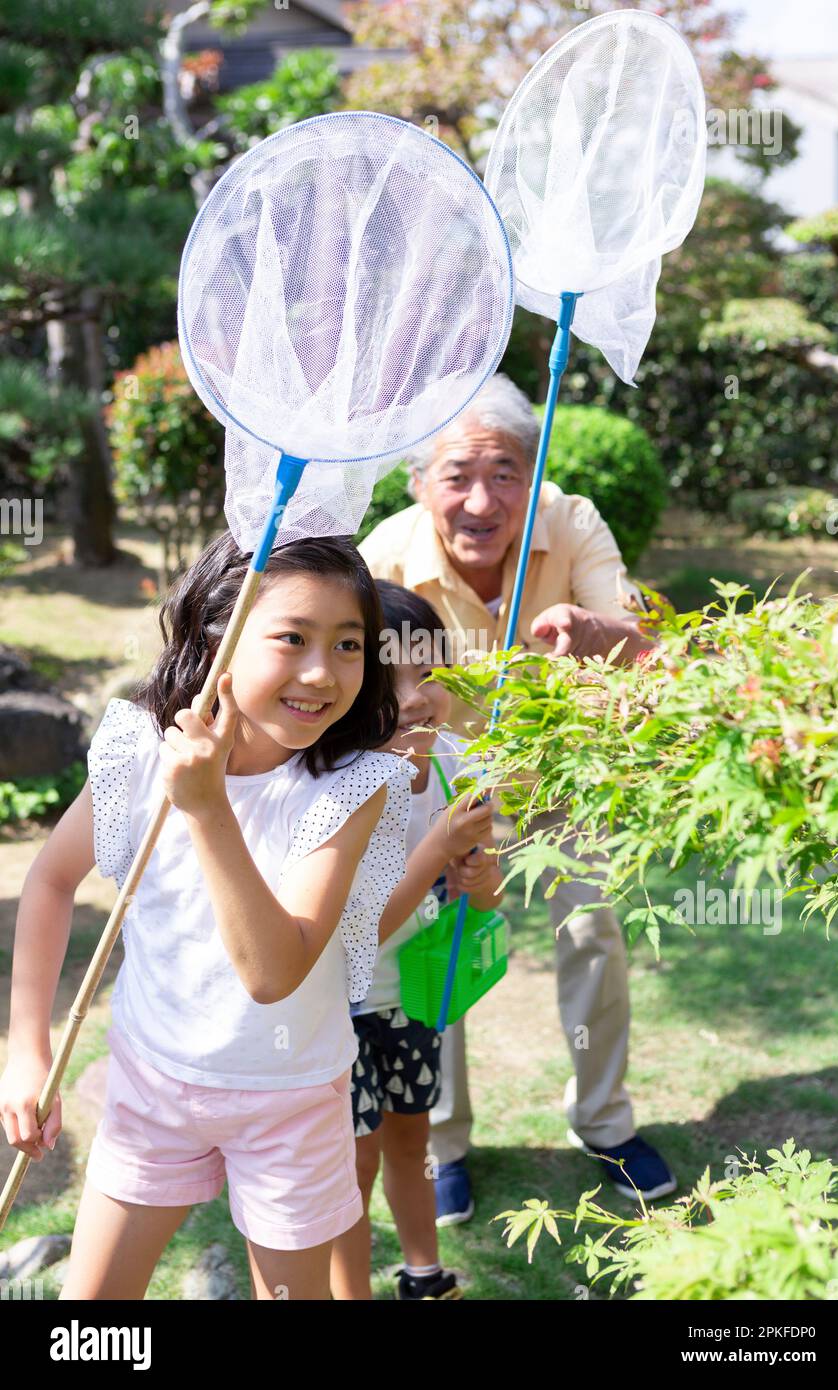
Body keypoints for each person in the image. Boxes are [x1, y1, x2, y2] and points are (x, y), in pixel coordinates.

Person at [0, 533, 417, 1301]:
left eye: (349, 644)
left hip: (290, 1098)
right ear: (215, 636)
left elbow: (275, 972)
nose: (323, 672)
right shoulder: (138, 751)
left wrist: (206, 808)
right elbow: (53, 881)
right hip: (151, 1084)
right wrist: (26, 1051)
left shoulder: (353, 787)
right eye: (292, 637)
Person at [358, 372, 677, 1218]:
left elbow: (641, 640)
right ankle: (445, 1139)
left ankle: (604, 1123)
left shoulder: (570, 523)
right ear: (421, 482)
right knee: (444, 950)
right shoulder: (384, 558)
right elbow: (362, 697)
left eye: (506, 473)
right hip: (445, 789)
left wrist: (596, 633)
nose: (481, 499)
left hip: (564, 773)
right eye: (457, 475)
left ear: (533, 477)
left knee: (595, 929)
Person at [331, 581, 501, 1301]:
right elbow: (357, 929)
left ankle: (423, 1274)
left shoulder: (459, 764)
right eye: (391, 679)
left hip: (414, 1000)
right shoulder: (338, 783)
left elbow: (485, 895)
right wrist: (437, 849)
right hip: (338, 1009)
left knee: (411, 1140)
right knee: (353, 1163)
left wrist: (480, 870)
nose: (417, 697)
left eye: (429, 671)